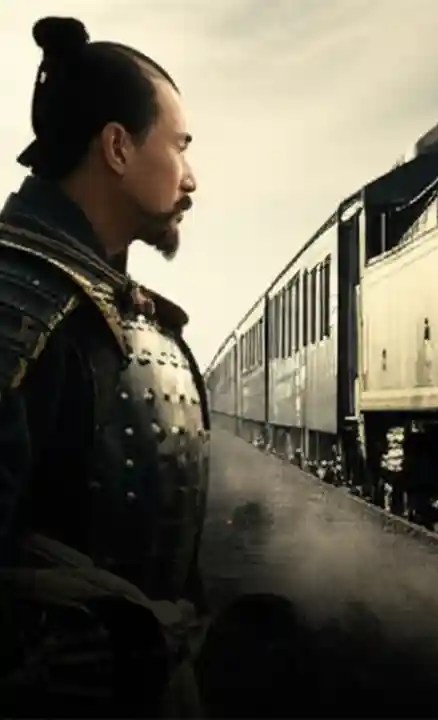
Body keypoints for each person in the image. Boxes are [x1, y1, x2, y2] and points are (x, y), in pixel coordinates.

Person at [0, 15, 208, 716]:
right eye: (179, 147)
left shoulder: (99, 303)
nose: (192, 178)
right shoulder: (18, 303)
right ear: (118, 147)